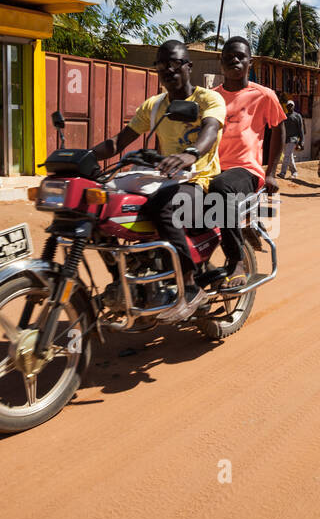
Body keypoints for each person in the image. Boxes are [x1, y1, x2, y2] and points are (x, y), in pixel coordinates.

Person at [87, 41, 225, 320]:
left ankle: (189, 288)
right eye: (161, 66)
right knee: (96, 205)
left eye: (174, 64)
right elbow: (119, 141)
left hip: (198, 178)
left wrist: (191, 154)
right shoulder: (154, 105)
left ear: (188, 66)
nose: (167, 71)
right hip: (161, 178)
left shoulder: (208, 100)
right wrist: (84, 156)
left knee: (166, 210)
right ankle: (123, 280)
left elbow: (210, 131)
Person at [208, 37, 285, 290]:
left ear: (250, 62)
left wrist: (271, 173)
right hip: (212, 169)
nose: (235, 60)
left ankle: (236, 261)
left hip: (245, 170)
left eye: (241, 56)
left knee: (221, 188)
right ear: (221, 63)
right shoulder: (211, 98)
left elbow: (279, 130)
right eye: (229, 56)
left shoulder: (264, 95)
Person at [279, 99, 304, 179]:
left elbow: (301, 129)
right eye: (288, 106)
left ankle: (283, 173)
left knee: (286, 156)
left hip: (293, 139)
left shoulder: (297, 116)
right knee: (289, 156)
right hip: (285, 140)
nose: (290, 107)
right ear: (286, 107)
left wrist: (301, 142)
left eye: (291, 105)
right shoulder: (284, 116)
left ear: (294, 106)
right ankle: (294, 172)